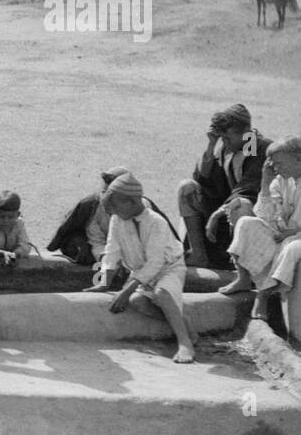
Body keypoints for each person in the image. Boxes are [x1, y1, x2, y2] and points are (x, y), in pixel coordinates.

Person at [85, 173, 197, 363]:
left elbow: (155, 263)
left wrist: (125, 291)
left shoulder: (156, 222)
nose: (112, 212)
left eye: (115, 206)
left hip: (169, 268)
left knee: (162, 293)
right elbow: (112, 251)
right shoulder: (117, 220)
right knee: (138, 301)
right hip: (142, 274)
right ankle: (184, 323)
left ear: (131, 202)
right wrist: (104, 282)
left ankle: (185, 342)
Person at [176, 104, 272, 269]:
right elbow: (203, 180)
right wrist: (211, 145)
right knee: (187, 188)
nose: (225, 142)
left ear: (247, 131)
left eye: (228, 138)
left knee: (239, 205)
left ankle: (243, 268)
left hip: (254, 214)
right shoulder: (227, 148)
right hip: (224, 207)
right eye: (223, 138)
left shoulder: (259, 147)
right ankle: (199, 255)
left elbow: (247, 190)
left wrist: (217, 213)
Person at [219, 135, 301, 320]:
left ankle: (262, 297)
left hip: (296, 239)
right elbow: (264, 215)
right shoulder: (280, 180)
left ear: (298, 159)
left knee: (290, 244)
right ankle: (243, 279)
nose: (276, 168)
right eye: (274, 164)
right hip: (282, 234)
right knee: (246, 223)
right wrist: (265, 182)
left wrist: (293, 232)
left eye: (280, 163)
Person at [47, 166, 177, 267]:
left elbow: (150, 250)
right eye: (104, 191)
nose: (105, 197)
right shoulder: (95, 208)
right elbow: (97, 241)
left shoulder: (143, 210)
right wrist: (106, 259)